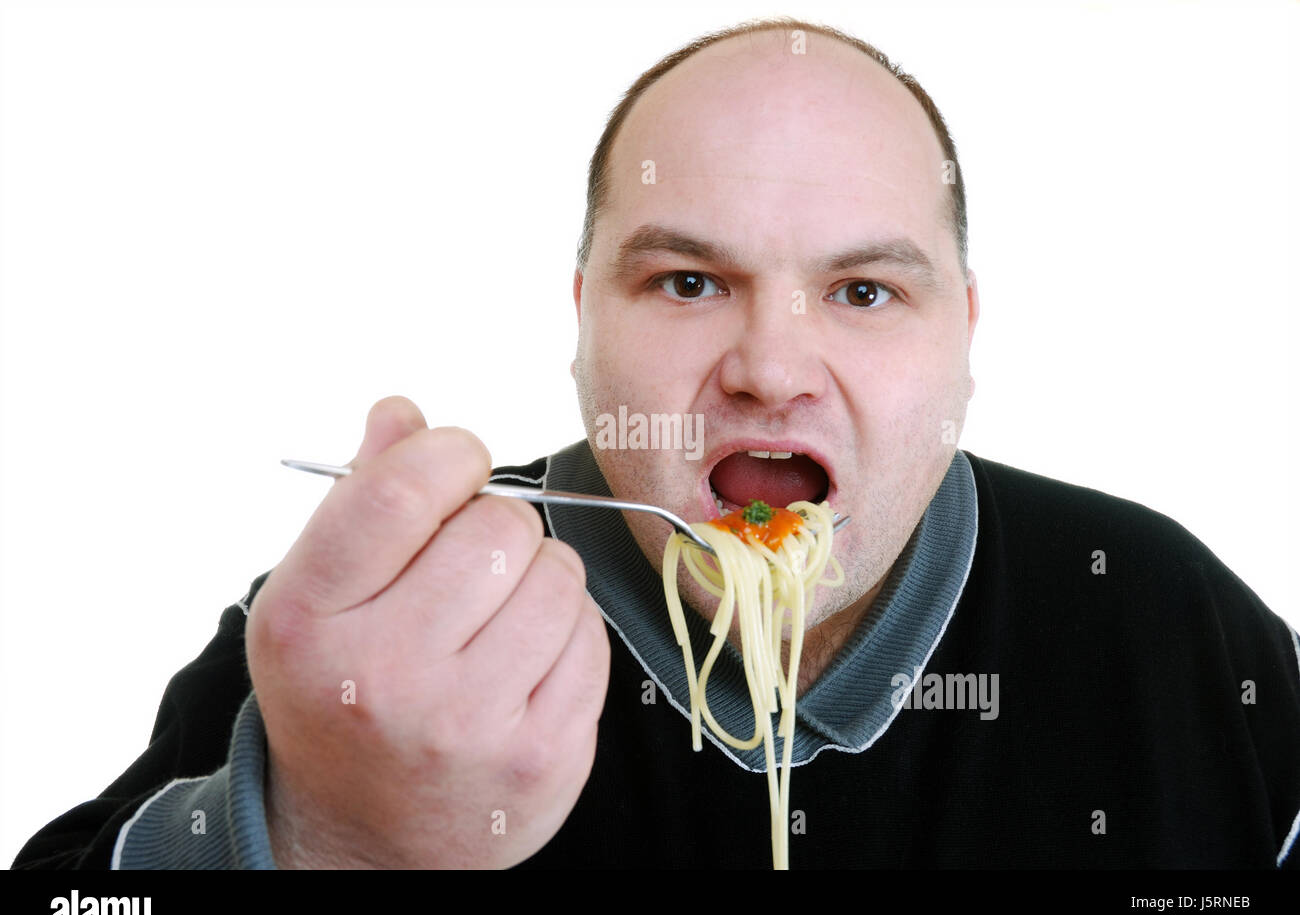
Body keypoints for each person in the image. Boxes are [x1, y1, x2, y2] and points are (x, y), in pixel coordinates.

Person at [13, 16, 1299, 870]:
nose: (771, 369)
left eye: (864, 292)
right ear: (580, 320)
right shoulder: (366, 642)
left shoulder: (1165, 618)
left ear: (964, 336)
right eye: (686, 282)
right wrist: (323, 839)